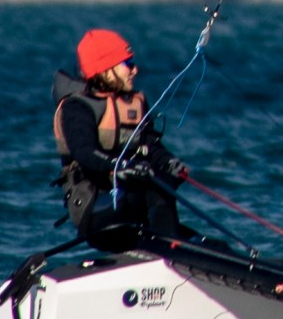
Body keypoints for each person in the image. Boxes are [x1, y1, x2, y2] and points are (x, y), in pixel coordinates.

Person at [53, 26, 187, 249]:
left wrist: (169, 163)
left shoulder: (135, 104)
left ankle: (172, 244)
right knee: (143, 183)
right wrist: (119, 166)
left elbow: (150, 146)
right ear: (105, 69)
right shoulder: (77, 108)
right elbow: (83, 151)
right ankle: (167, 245)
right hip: (96, 210)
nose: (135, 70)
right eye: (128, 64)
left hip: (130, 206)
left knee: (160, 178)